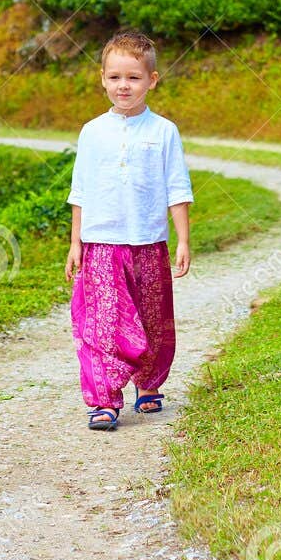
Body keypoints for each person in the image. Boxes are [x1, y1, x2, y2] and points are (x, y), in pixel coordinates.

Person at [64, 28, 194, 432]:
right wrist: (75, 243)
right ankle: (105, 399)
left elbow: (177, 188)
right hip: (102, 243)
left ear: (152, 80)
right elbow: (80, 191)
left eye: (134, 77)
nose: (124, 86)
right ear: (102, 78)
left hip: (148, 242)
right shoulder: (92, 132)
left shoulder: (163, 131)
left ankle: (149, 384)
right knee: (103, 322)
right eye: (116, 77)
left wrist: (183, 239)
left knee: (153, 319)